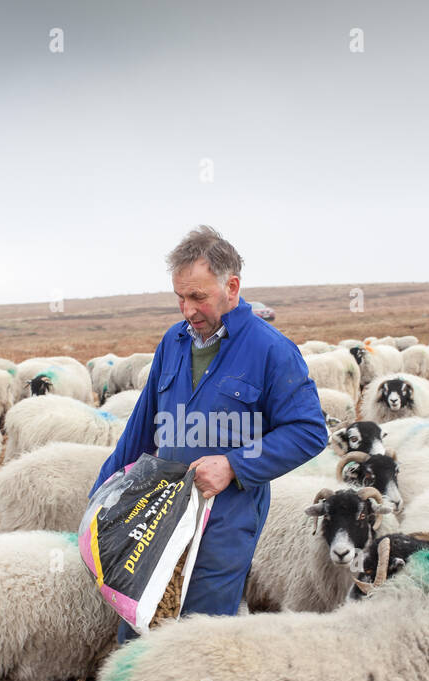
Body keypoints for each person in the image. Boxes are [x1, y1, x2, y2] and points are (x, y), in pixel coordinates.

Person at [90, 225, 327, 643]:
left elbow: (308, 430)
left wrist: (234, 465)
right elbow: (142, 428)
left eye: (198, 297)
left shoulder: (271, 350)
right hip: (159, 510)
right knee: (138, 622)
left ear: (231, 286)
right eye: (180, 297)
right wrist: (100, 501)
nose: (187, 309)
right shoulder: (174, 343)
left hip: (224, 519)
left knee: (197, 636)